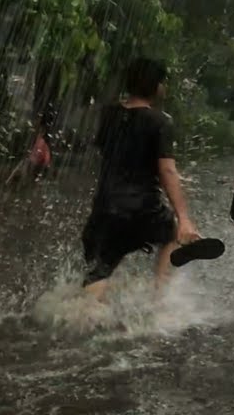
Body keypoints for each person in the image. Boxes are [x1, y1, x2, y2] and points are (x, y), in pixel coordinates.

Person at [80, 57, 220, 302]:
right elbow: (166, 171)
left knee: (101, 269)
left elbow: (114, 155)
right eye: (162, 82)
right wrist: (185, 218)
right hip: (142, 210)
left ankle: (80, 318)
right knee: (174, 232)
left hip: (105, 208)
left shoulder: (108, 115)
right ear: (156, 86)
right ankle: (158, 299)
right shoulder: (159, 121)